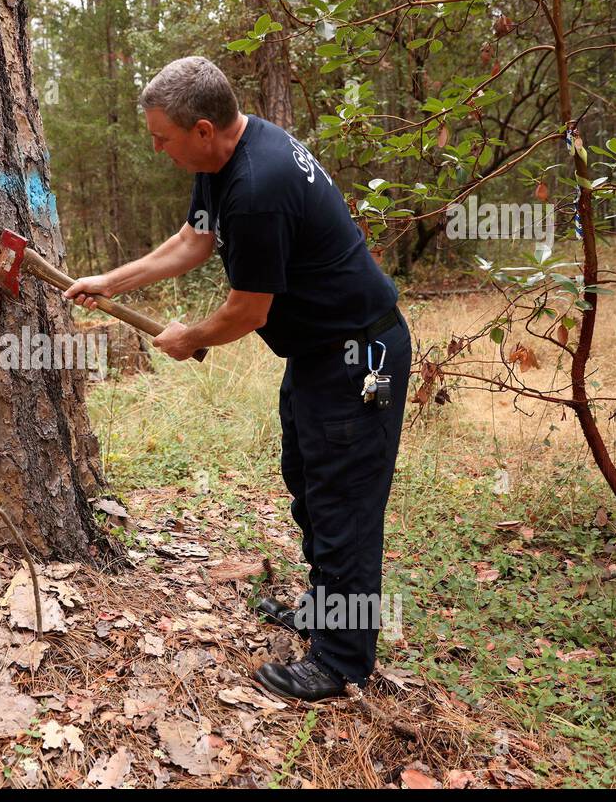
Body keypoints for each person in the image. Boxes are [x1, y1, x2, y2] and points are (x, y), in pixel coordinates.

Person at [64, 56, 411, 701]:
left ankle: (340, 661)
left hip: (360, 359)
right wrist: (111, 281)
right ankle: (326, 609)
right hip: (319, 355)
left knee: (345, 509)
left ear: (202, 129)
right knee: (310, 488)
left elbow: (249, 310)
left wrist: (188, 335)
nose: (159, 150)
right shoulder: (229, 156)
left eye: (163, 139)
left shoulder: (258, 186)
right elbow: (194, 240)